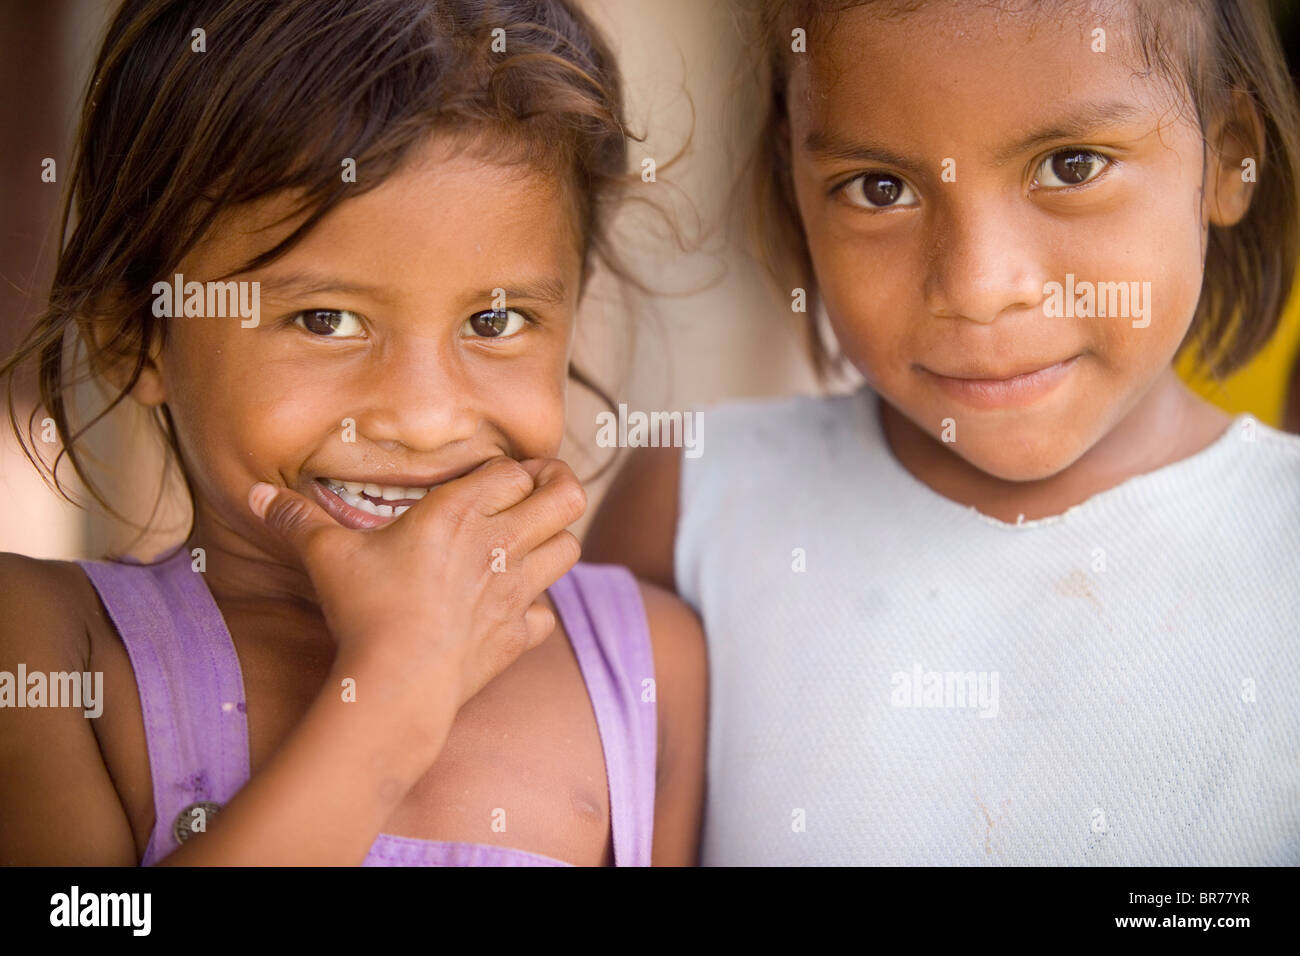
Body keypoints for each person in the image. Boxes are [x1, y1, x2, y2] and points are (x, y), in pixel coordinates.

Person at [586, 0, 1300, 864]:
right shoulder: (696, 505)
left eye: (1071, 166)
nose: (977, 284)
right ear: (795, 180)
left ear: (1230, 158)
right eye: (879, 188)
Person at [0, 0, 706, 866]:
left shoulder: (650, 670)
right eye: (325, 320)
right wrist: (393, 693)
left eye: (495, 322)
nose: (422, 418)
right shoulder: (50, 648)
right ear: (133, 336)